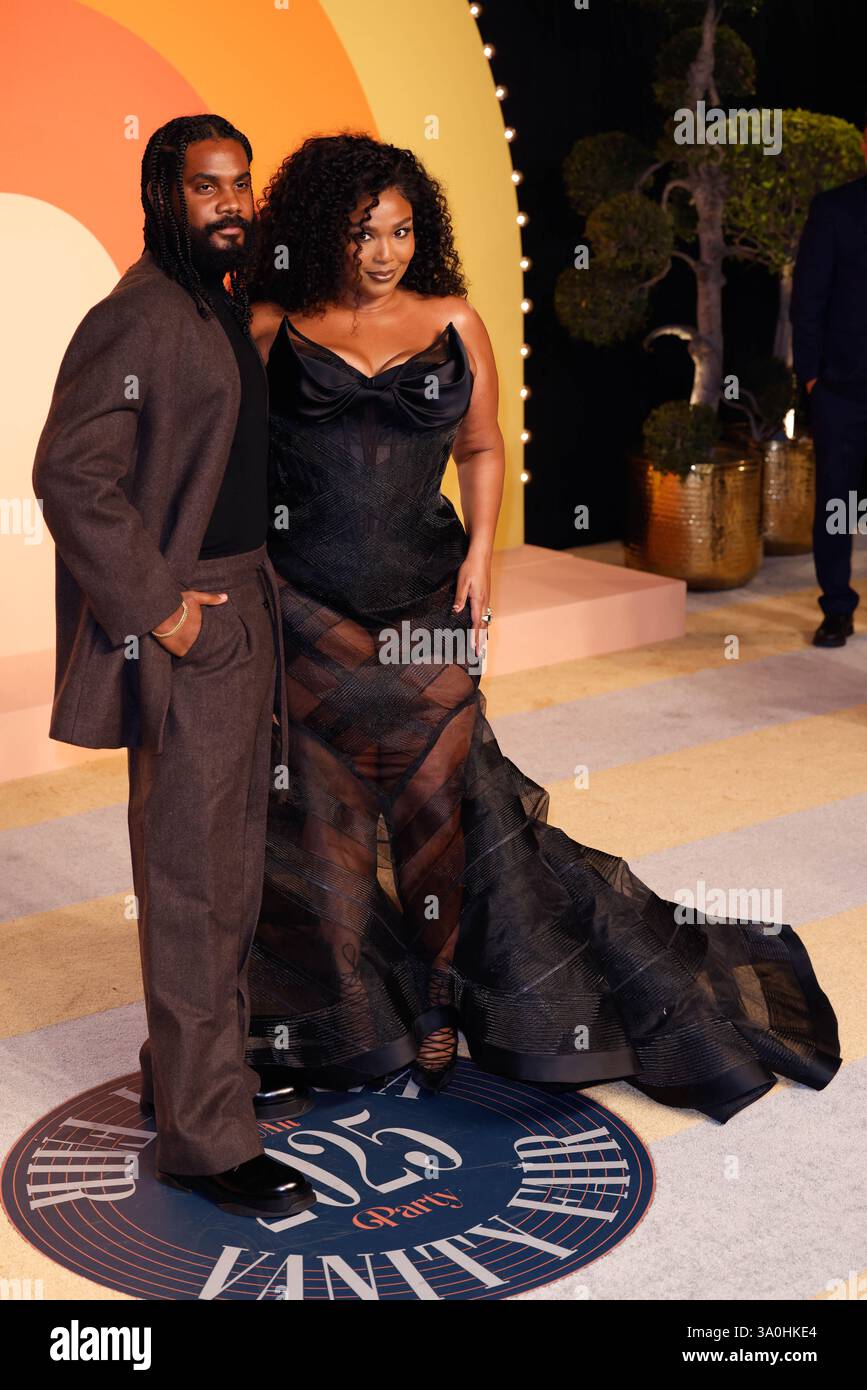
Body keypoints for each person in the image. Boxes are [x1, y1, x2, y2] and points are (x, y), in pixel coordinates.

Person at [243, 132, 841, 1122]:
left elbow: (481, 448)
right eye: (363, 232)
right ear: (321, 230)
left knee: (436, 808)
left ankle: (438, 1002)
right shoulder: (272, 327)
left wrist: (482, 555)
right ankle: (350, 1009)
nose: (385, 250)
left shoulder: (454, 321)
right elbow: (237, 478)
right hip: (309, 609)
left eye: (400, 229)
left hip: (431, 600)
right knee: (327, 813)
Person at [32, 114, 315, 1219]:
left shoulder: (217, 304)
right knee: (195, 883)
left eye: (240, 184)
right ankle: (207, 1141)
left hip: (250, 603)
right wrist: (165, 616)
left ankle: (191, 1078)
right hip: (194, 615)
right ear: (164, 195)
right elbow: (69, 477)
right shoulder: (137, 316)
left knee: (232, 870)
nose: (232, 203)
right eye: (208, 187)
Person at [791, 119, 867, 648]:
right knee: (838, 503)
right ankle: (836, 606)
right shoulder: (835, 208)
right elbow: (808, 300)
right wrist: (812, 377)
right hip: (842, 388)